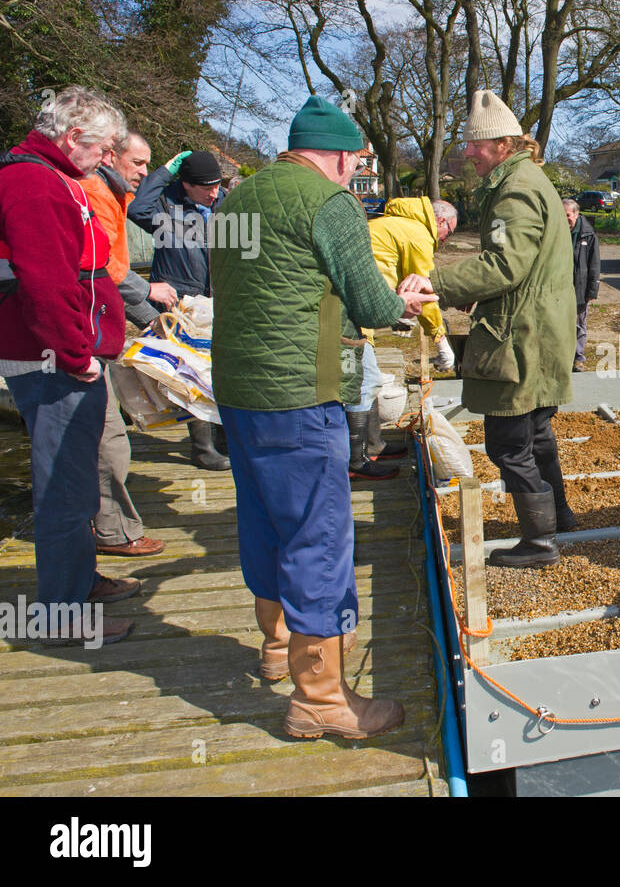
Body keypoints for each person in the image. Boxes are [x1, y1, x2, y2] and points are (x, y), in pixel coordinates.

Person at [211, 94, 435, 739]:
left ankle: (278, 648)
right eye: (357, 163)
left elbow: (253, 284)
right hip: (301, 392)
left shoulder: (236, 200)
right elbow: (367, 301)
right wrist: (403, 300)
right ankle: (321, 699)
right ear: (339, 156)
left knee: (263, 520)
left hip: (237, 387)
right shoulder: (327, 202)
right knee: (318, 537)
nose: (356, 174)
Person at [403, 89, 577, 566]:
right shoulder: (530, 179)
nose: (466, 154)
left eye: (474, 146)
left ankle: (540, 543)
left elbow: (505, 265)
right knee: (537, 432)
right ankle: (558, 516)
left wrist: (435, 283)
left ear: (502, 144)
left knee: (507, 444)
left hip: (520, 338)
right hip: (540, 332)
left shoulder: (515, 189)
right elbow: (522, 265)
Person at [0, 86, 134, 645]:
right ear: (73, 136)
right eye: (104, 148)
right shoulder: (32, 183)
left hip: (60, 356)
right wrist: (76, 353)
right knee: (63, 483)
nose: (110, 159)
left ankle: (78, 580)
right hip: (52, 362)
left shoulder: (49, 177)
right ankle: (61, 612)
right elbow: (46, 282)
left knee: (77, 478)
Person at [80, 130, 173, 558]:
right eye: (138, 163)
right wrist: (155, 316)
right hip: (79, 345)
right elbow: (106, 270)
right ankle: (112, 533)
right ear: (109, 155)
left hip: (91, 339)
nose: (143, 172)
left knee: (100, 438)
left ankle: (99, 529)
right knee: (108, 439)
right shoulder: (95, 193)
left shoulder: (105, 193)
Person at [128, 148, 230, 470]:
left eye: (217, 184)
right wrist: (163, 171)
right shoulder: (165, 206)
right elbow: (136, 208)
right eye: (206, 187)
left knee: (222, 369)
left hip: (217, 302)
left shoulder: (224, 203)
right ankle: (201, 448)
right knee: (190, 374)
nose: (214, 192)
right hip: (179, 303)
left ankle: (226, 438)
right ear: (185, 184)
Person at [345, 196, 459, 480]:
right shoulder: (418, 234)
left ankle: (374, 443)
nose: (445, 240)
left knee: (368, 378)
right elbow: (424, 293)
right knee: (366, 380)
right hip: (350, 311)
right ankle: (355, 460)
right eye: (449, 232)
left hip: (356, 305)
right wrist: (441, 340)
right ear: (441, 221)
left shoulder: (399, 224)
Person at [563, 197, 599, 371]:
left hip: (580, 288)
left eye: (568, 215)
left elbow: (594, 264)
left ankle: (578, 358)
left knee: (579, 325)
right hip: (560, 288)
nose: (565, 219)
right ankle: (562, 357)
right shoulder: (556, 232)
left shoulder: (588, 235)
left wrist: (592, 290)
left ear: (576, 215)